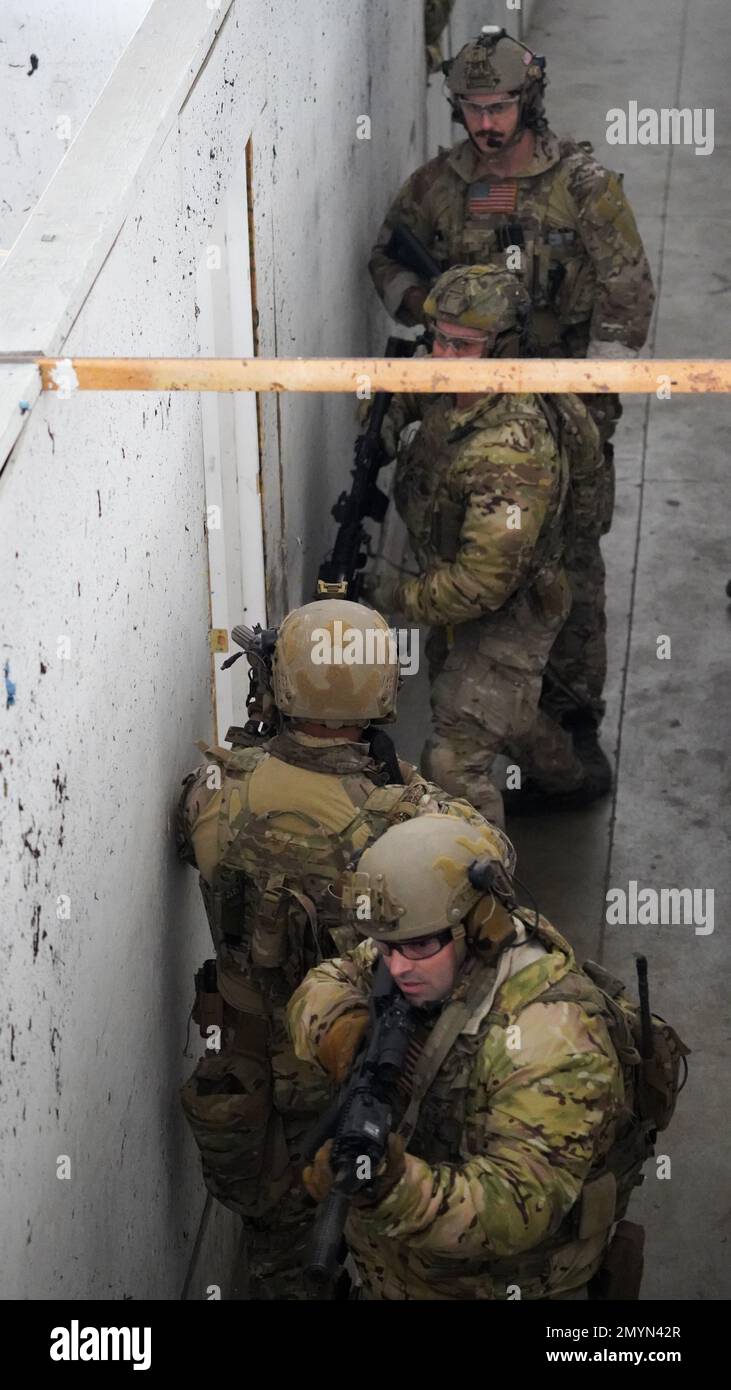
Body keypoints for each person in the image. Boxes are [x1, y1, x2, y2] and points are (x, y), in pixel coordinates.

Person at [175, 598, 485, 1298]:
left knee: (279, 1248)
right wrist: (397, 779)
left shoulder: (215, 791)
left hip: (247, 1059)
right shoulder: (405, 818)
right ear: (380, 689)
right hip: (351, 1061)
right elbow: (489, 865)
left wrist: (260, 741)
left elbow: (193, 829)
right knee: (381, 1234)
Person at [369, 26, 655, 773]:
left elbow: (628, 301)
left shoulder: (584, 191)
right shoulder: (440, 185)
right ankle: (483, 711)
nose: (485, 125)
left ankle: (568, 714)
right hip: (465, 409)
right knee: (464, 551)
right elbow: (386, 254)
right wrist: (427, 310)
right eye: (471, 110)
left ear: (527, 100)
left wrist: (588, 395)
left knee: (568, 563)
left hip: (561, 408)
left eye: (496, 108)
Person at [288, 812, 629, 1301]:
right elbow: (324, 982)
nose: (399, 967)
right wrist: (346, 1033)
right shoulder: (417, 942)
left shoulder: (550, 1037)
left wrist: (391, 1188)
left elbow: (517, 1205)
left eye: (419, 947)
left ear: (480, 926)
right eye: (387, 948)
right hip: (399, 1269)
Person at [364, 262, 606, 824]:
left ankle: (479, 898)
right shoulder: (456, 378)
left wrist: (389, 595)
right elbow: (410, 390)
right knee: (498, 707)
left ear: (503, 348)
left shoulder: (512, 450)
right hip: (461, 589)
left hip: (509, 611)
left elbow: (480, 585)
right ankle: (571, 780)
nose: (442, 358)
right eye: (438, 339)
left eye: (463, 346)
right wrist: (382, 420)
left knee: (452, 757)